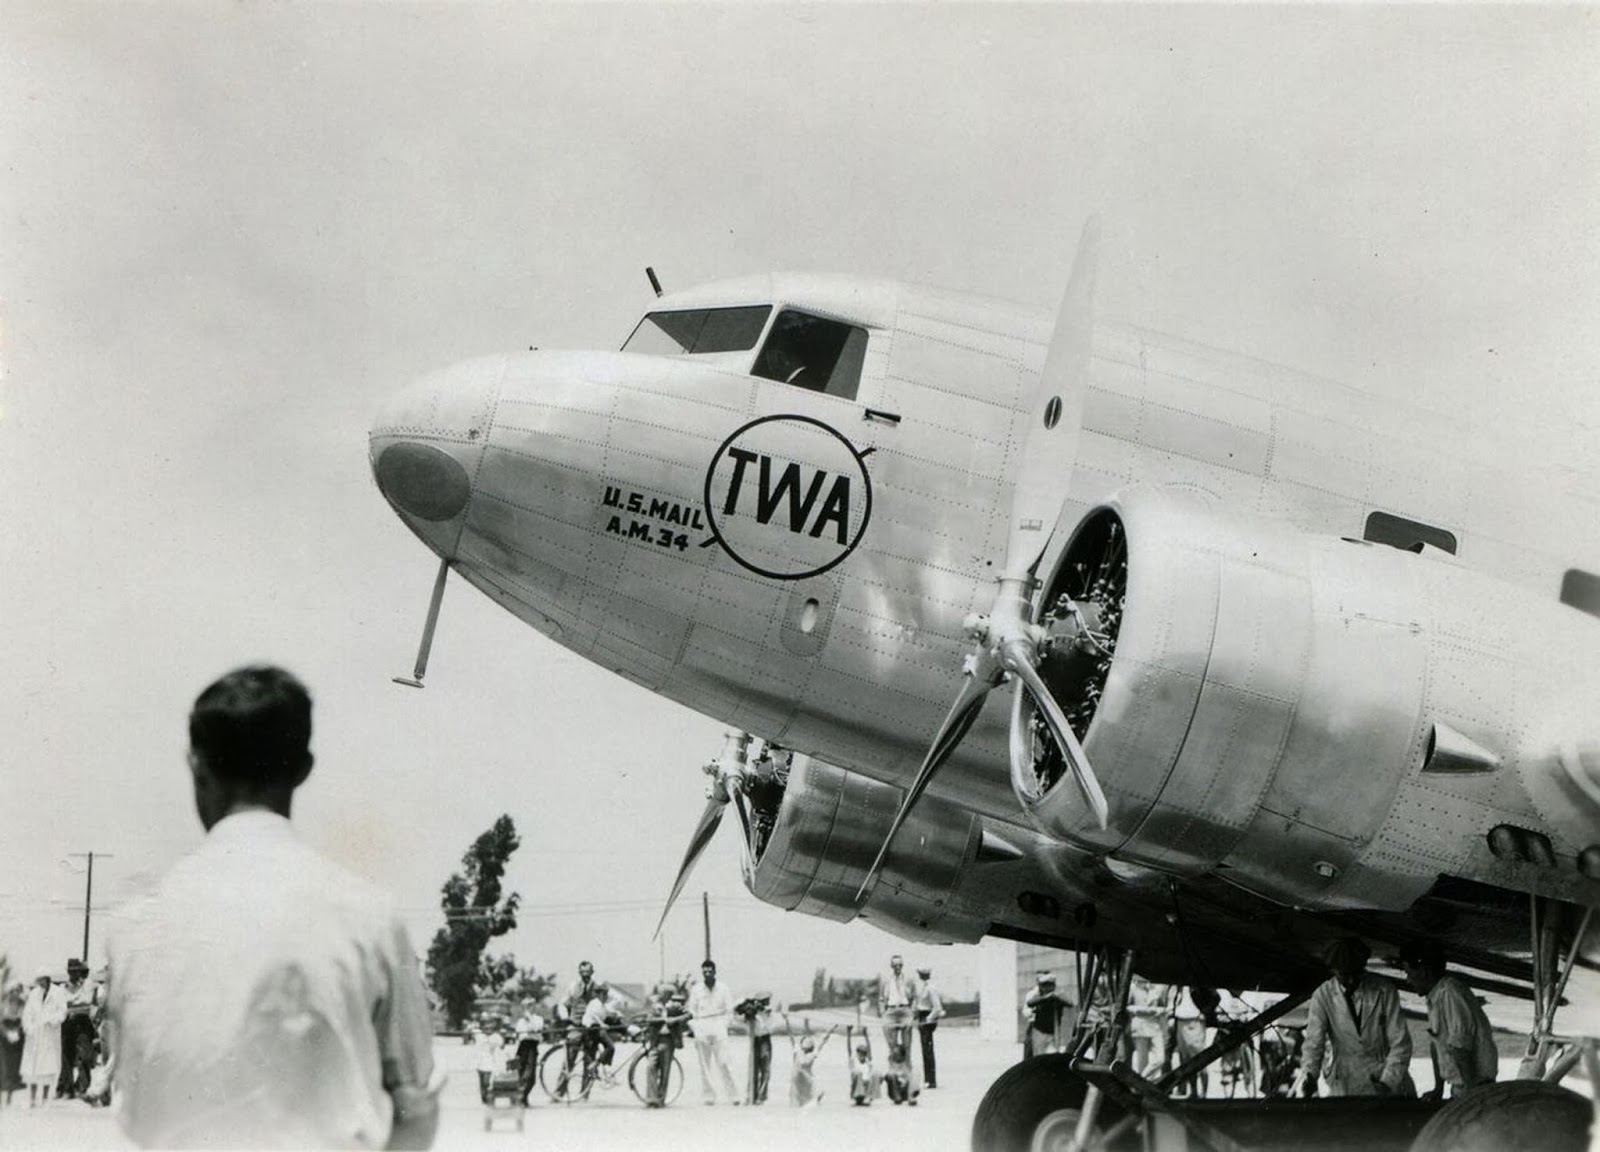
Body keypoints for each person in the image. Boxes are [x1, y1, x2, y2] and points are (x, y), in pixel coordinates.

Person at [105, 665, 441, 1149]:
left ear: (196, 765)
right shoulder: (369, 915)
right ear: (303, 767)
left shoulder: (132, 925)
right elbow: (413, 1103)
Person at [1293, 937, 1415, 1099]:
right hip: (1346, 1081)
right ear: (1333, 970)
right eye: (1344, 975)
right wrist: (1310, 1074)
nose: (1351, 980)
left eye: (1356, 973)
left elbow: (1401, 1043)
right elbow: (1314, 1043)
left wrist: (1387, 1082)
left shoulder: (1385, 990)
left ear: (1363, 967)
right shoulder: (1322, 996)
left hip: (1386, 1077)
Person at [1398, 943, 1498, 1098]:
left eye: (1409, 973)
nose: (1408, 980)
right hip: (1462, 1087)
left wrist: (1472, 1098)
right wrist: (1438, 1089)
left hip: (1473, 1087)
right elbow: (1437, 1046)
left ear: (1424, 972)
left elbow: (1461, 1049)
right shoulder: (1435, 996)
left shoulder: (1450, 994)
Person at [687, 959, 740, 1104]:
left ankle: (734, 1096)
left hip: (719, 1028)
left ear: (715, 972)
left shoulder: (723, 988)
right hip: (702, 1029)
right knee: (705, 1066)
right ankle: (709, 1096)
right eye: (705, 972)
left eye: (710, 971)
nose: (707, 974)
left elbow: (730, 1011)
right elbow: (692, 1011)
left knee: (725, 1063)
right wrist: (697, 1028)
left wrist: (723, 1026)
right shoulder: (696, 989)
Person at [640, 988, 692, 1108]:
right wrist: (662, 1019)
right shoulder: (655, 1006)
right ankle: (652, 1098)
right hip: (655, 1040)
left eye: (666, 994)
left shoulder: (675, 1006)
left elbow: (689, 1015)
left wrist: (675, 1020)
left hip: (668, 1041)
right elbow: (649, 1019)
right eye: (663, 993)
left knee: (665, 1071)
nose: (664, 996)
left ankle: (660, 1099)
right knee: (651, 1066)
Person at [21, 969, 65, 1106]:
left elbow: (62, 1012)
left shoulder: (58, 992)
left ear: (47, 979)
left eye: (42, 979)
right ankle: (33, 1099)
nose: (40, 983)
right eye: (38, 980)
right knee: (32, 1068)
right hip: (35, 1035)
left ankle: (45, 1098)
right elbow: (27, 1013)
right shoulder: (34, 993)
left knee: (47, 1067)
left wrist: (51, 1021)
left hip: (49, 1034)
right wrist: (28, 1027)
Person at [58, 958, 100, 1099]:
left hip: (83, 1023)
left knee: (86, 1055)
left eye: (76, 971)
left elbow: (87, 1001)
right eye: (71, 971)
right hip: (67, 1023)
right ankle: (67, 1088)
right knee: (66, 1056)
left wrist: (73, 1004)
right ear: (68, 972)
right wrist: (75, 1004)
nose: (74, 974)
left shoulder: (88, 985)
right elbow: (63, 1004)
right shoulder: (63, 987)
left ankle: (81, 1085)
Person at [1128, 977, 1173, 1079]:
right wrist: (1141, 1010)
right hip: (1140, 1026)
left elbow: (1163, 1006)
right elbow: (1127, 1006)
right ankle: (1141, 1088)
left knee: (1160, 1058)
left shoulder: (1157, 988)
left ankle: (1140, 1078)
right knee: (1142, 1061)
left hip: (1154, 1026)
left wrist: (1158, 1010)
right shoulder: (1133, 988)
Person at [781, 1016, 831, 1107]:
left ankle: (816, 1099)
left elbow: (822, 1042)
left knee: (807, 1104)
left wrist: (831, 1029)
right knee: (795, 1104)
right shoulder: (797, 1050)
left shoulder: (812, 1054)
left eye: (809, 1042)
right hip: (797, 1083)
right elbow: (791, 1035)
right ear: (801, 1044)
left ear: (811, 1046)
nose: (807, 1042)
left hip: (807, 1082)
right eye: (805, 1041)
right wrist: (786, 1020)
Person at [733, 992, 773, 1104]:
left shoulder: (767, 1011)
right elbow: (735, 1015)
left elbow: (766, 1012)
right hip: (754, 1040)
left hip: (765, 1039)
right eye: (765, 1000)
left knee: (765, 1069)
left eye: (767, 1000)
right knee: (753, 1068)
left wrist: (758, 1010)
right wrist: (745, 1004)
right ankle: (751, 1095)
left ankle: (761, 1096)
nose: (767, 1002)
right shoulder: (750, 1013)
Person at [912, 965, 944, 1089]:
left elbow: (937, 1008)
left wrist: (928, 1019)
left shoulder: (930, 988)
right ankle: (928, 1079)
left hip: (927, 1018)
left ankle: (931, 1080)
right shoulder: (923, 987)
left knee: (928, 1050)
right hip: (922, 1017)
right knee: (925, 1050)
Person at [1023, 972, 1068, 1058]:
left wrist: (1056, 997)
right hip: (1038, 1031)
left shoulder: (1057, 995)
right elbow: (1029, 1003)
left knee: (1052, 1057)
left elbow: (1069, 1003)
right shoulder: (1035, 994)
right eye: (1044, 985)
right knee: (1034, 1056)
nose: (1047, 988)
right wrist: (1045, 998)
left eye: (1050, 985)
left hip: (1053, 1032)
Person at [878, 954, 915, 1053]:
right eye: (895, 965)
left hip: (905, 1011)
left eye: (900, 965)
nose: (898, 967)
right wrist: (883, 1012)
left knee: (907, 1044)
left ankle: (907, 1067)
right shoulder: (886, 980)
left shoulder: (908, 979)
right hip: (891, 1011)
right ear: (891, 966)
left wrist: (912, 1012)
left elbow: (914, 997)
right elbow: (881, 998)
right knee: (891, 1044)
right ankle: (893, 1066)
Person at [512, 1003, 543, 1107]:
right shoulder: (520, 1021)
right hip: (523, 1047)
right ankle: (522, 1098)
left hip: (532, 1047)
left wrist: (530, 1019)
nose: (528, 1008)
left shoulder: (538, 1019)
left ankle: (523, 1096)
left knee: (530, 1076)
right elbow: (519, 1035)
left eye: (531, 1006)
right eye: (526, 1006)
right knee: (521, 1073)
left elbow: (535, 1029)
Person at [475, 1024, 505, 1104]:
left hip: (489, 1061)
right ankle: (484, 1098)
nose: (488, 1030)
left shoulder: (496, 1037)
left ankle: (487, 1097)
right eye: (486, 1028)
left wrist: (502, 1037)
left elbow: (502, 1046)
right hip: (479, 1061)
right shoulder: (479, 1036)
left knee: (486, 1082)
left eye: (490, 1029)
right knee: (481, 1082)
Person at [849, 1033, 876, 1105]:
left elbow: (869, 1048)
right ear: (857, 1053)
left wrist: (866, 1034)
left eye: (864, 1053)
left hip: (866, 1087)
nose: (862, 1055)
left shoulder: (868, 1061)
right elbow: (849, 1048)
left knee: (874, 1075)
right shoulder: (854, 1061)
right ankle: (858, 1096)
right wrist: (849, 1033)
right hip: (857, 1088)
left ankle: (868, 1097)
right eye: (860, 1053)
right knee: (858, 1073)